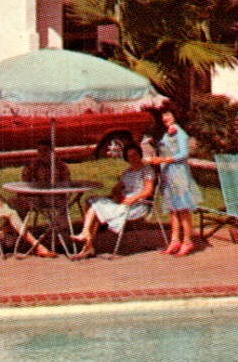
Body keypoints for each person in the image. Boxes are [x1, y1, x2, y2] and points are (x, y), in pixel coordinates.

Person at [71, 144, 157, 258]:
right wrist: (117, 195)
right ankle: (88, 242)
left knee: (95, 207)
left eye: (135, 155)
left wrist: (132, 198)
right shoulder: (128, 171)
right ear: (126, 158)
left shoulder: (146, 170)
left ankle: (87, 238)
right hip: (124, 202)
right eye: (129, 156)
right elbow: (116, 189)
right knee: (92, 200)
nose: (133, 158)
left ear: (140, 154)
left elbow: (148, 191)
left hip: (138, 205)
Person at [152, 106, 201, 257]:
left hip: (179, 174)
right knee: (172, 209)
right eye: (163, 116)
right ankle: (174, 240)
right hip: (168, 174)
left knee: (183, 209)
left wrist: (164, 160)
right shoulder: (167, 134)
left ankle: (187, 241)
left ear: (175, 115)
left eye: (168, 114)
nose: (165, 118)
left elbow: (183, 154)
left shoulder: (180, 133)